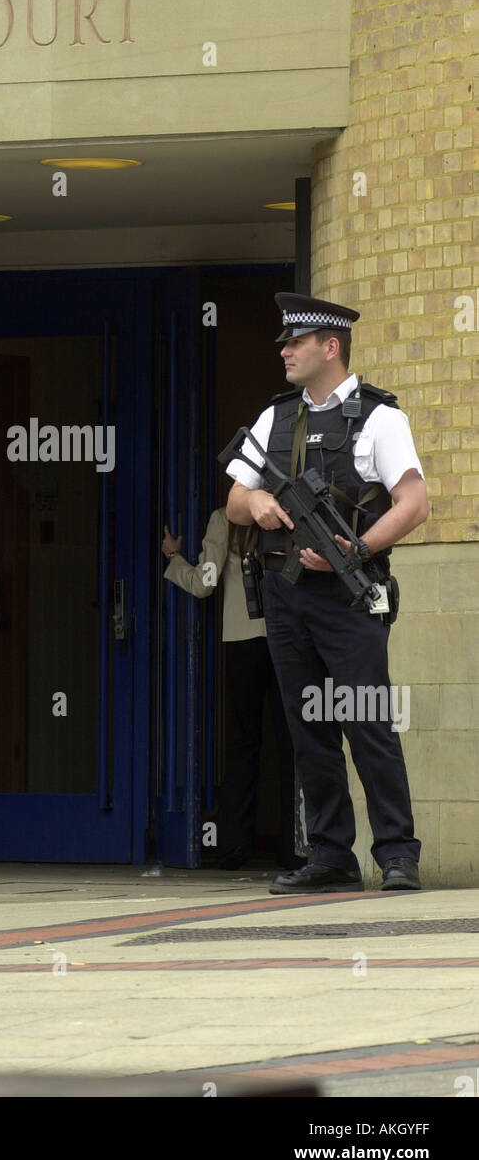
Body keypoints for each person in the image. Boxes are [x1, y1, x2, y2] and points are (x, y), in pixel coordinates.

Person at [225, 292, 428, 895]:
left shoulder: (380, 418)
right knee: (308, 729)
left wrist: (357, 550)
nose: (284, 352)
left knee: (366, 722)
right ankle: (332, 856)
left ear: (329, 346)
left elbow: (414, 503)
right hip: (288, 596)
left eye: (295, 342)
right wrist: (257, 502)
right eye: (285, 343)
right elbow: (235, 496)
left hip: (348, 593)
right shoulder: (275, 417)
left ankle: (396, 852)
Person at [162, 508, 300, 870]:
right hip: (286, 642)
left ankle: (234, 847)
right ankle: (295, 848)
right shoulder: (287, 514)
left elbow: (203, 584)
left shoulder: (224, 519)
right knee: (293, 747)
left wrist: (173, 557)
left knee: (243, 744)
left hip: (241, 643)